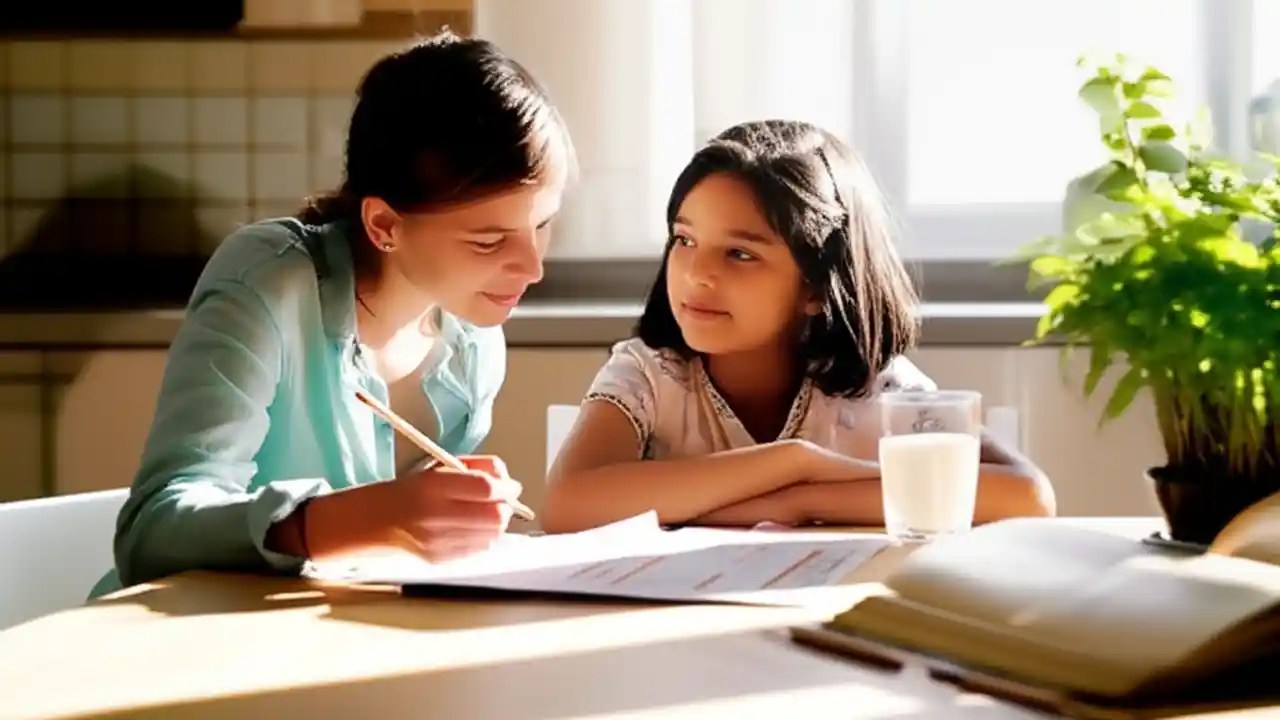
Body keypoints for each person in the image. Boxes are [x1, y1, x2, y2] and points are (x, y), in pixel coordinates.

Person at [92, 30, 575, 597]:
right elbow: (152, 534)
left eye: (541, 226)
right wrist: (353, 519)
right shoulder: (270, 283)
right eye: (489, 242)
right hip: (184, 648)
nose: (533, 268)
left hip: (335, 647)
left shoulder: (473, 339)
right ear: (385, 226)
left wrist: (449, 517)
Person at [542, 120, 1053, 533]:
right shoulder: (647, 374)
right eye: (684, 240)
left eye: (739, 253)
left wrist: (803, 500)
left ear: (815, 287)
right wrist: (792, 461)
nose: (697, 274)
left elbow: (1026, 495)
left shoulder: (878, 386)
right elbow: (568, 504)